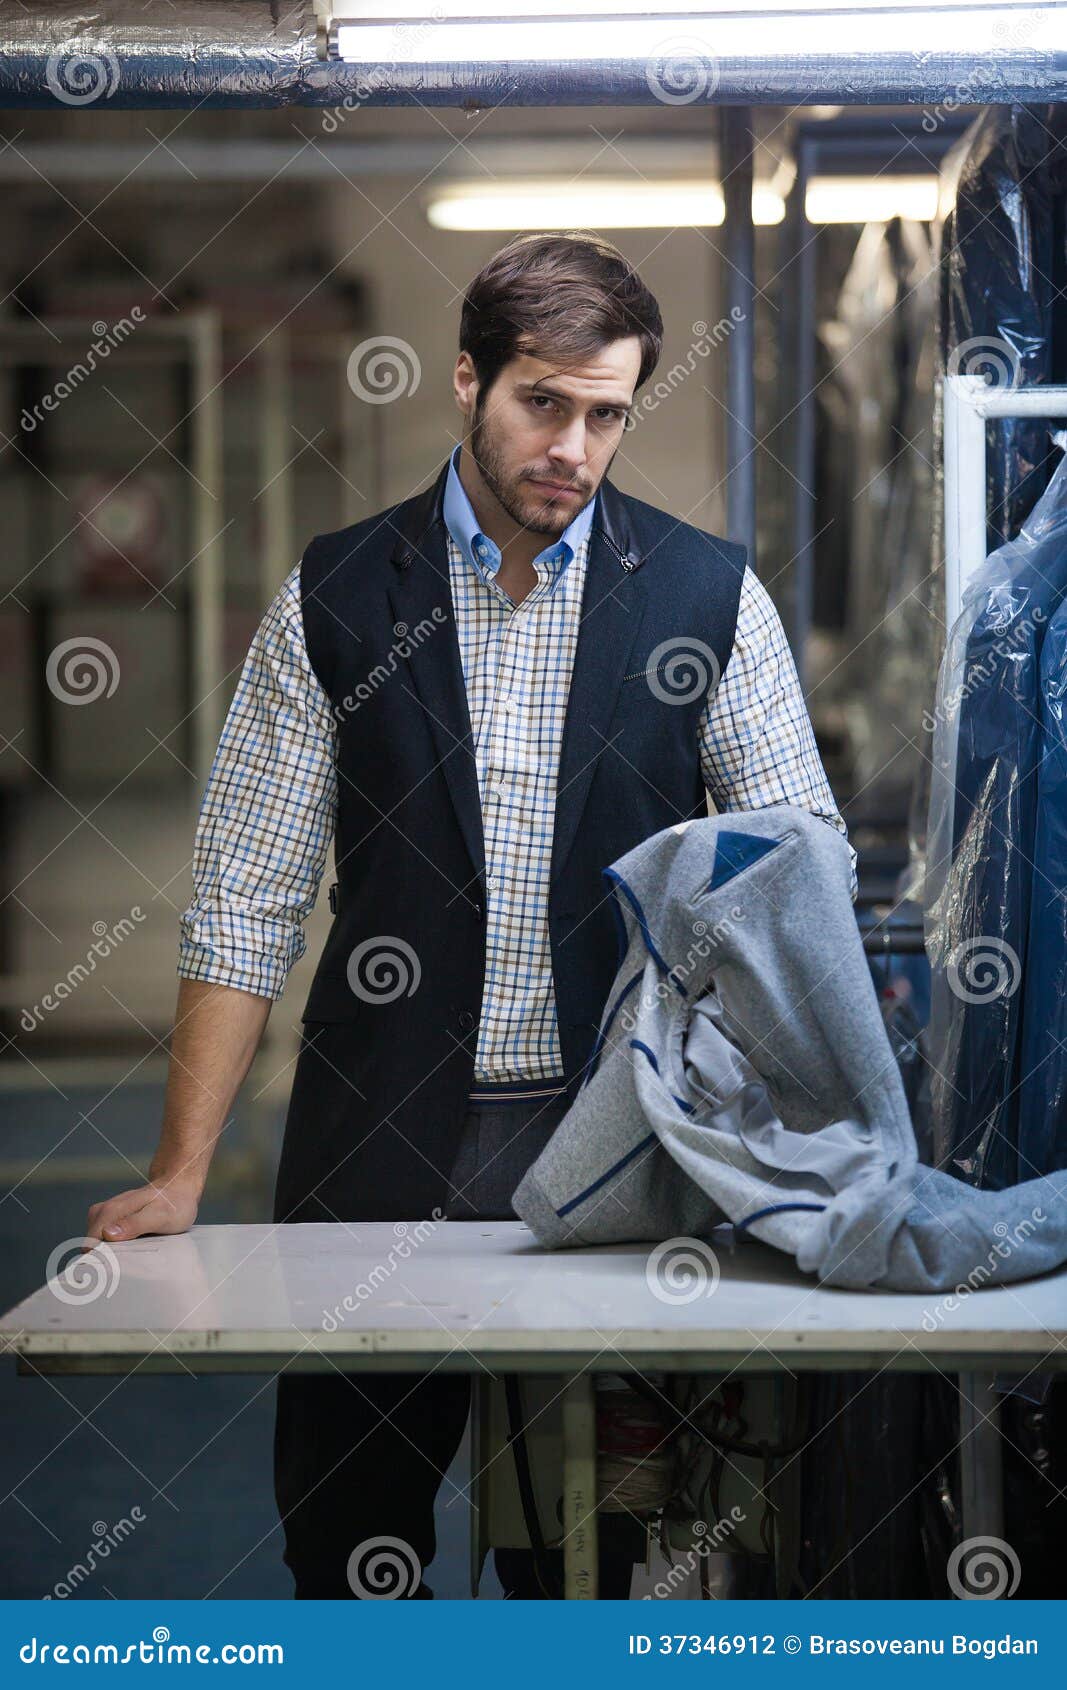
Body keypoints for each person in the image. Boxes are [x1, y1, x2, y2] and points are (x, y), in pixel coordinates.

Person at [84, 230, 857, 1599]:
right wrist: (182, 1171)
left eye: (606, 414)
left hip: (618, 1145)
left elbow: (803, 879)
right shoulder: (335, 595)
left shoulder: (701, 596)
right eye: (541, 403)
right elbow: (244, 898)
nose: (573, 444)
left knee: (585, 1552)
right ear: (467, 382)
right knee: (347, 1538)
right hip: (373, 1136)